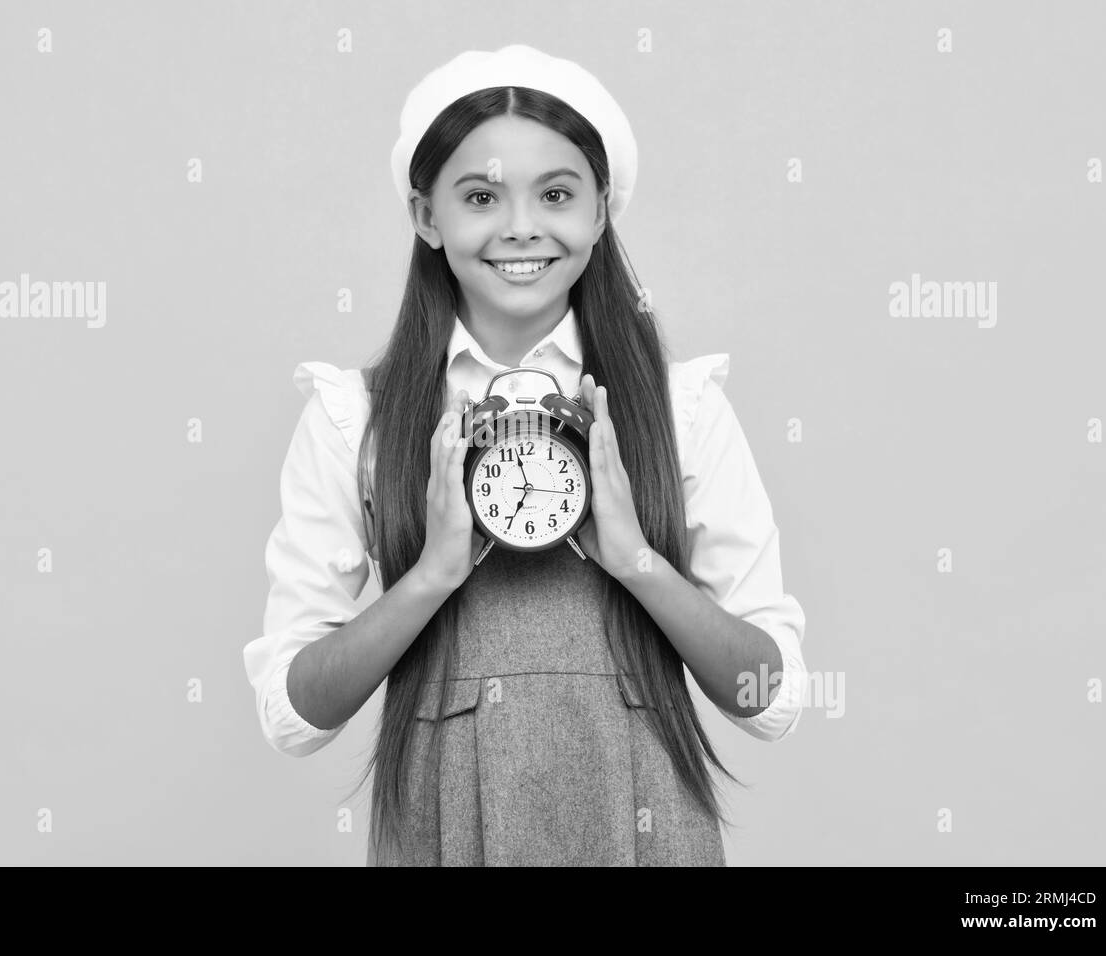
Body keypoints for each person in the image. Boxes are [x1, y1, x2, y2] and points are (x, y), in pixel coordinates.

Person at [242, 43, 807, 866]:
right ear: (427, 216)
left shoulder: (681, 408)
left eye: (556, 193)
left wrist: (639, 561)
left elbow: (774, 697)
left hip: (648, 826)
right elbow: (293, 715)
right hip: (442, 828)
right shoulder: (353, 418)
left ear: (601, 211)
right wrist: (431, 574)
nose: (520, 227)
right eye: (480, 196)